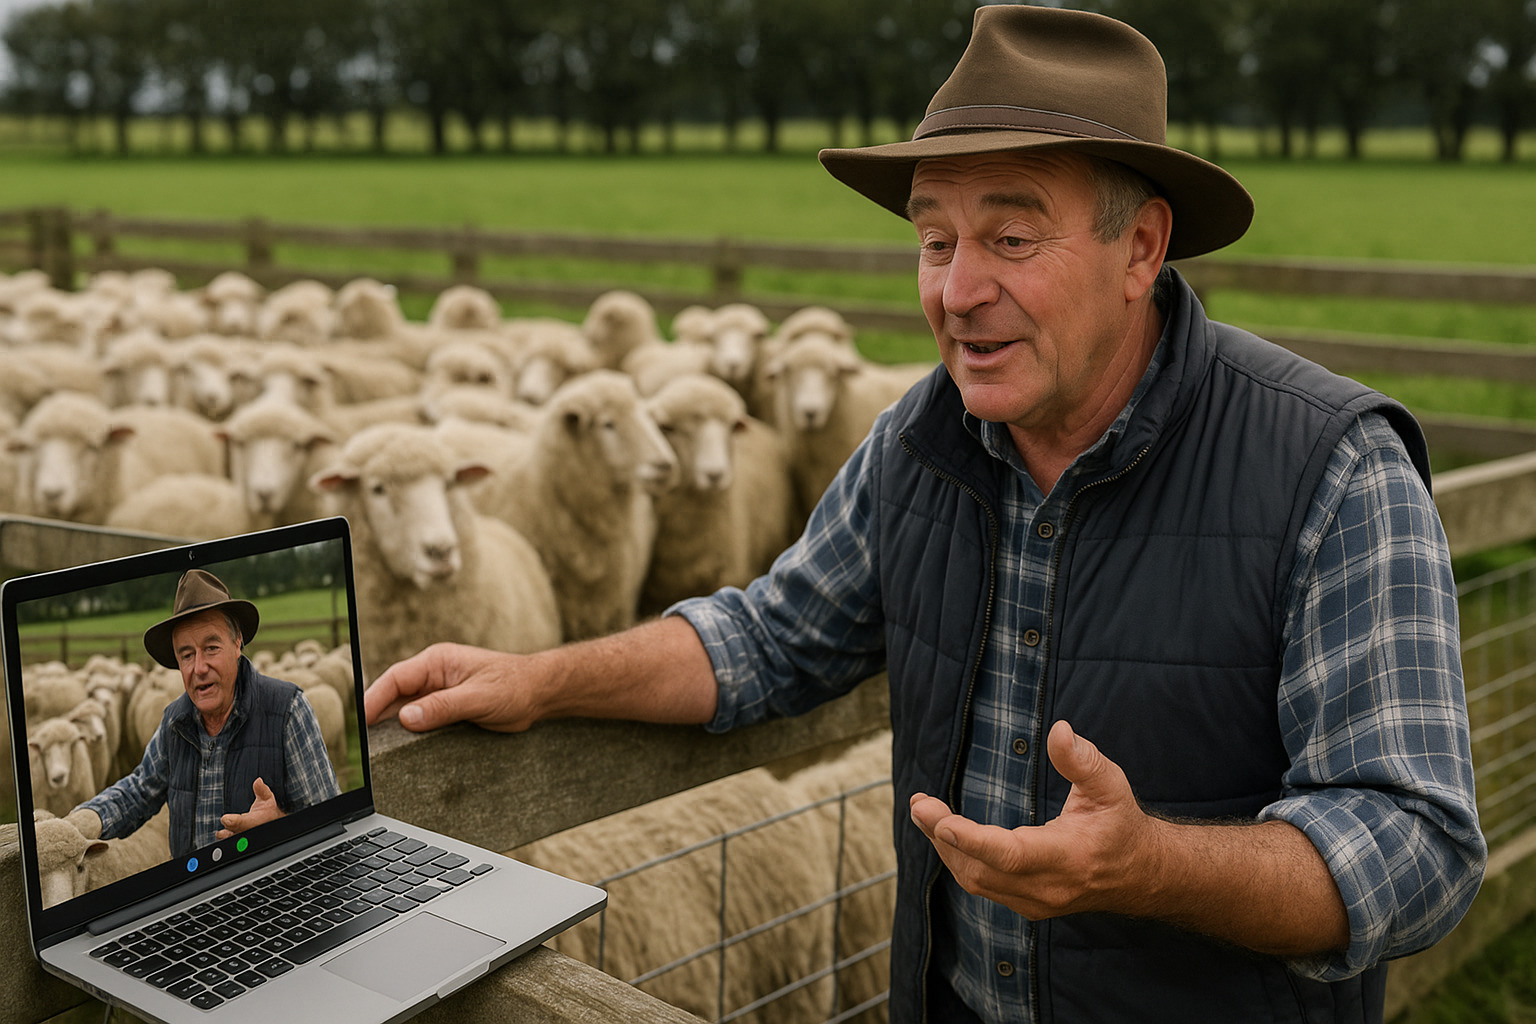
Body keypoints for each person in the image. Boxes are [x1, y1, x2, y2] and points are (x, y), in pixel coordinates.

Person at [363, 7, 1486, 1023]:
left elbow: (1416, 845)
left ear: (1141, 247)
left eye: (1010, 237)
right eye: (934, 238)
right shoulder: (923, 441)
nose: (955, 289)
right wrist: (541, 676)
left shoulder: (1331, 470)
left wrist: (1150, 866)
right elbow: (768, 636)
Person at [77, 569, 339, 860]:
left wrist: (278, 825)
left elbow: (329, 825)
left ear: (237, 643)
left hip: (271, 888)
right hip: (193, 892)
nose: (199, 668)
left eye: (211, 648)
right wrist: (84, 821)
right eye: (187, 655)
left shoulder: (288, 710)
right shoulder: (175, 722)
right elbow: (138, 791)